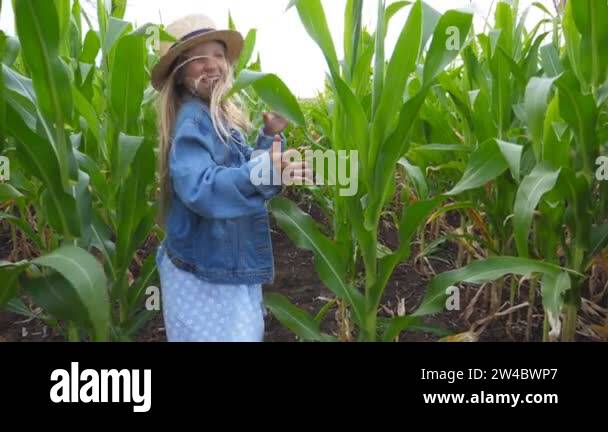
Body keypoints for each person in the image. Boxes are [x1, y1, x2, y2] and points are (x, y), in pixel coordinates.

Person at [150, 14, 313, 342]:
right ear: (180, 75)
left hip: (222, 262)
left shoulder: (217, 115)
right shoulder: (192, 122)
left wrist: (268, 138)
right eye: (198, 58)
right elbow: (203, 188)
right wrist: (266, 171)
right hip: (206, 274)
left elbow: (237, 167)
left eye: (219, 55)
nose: (211, 64)